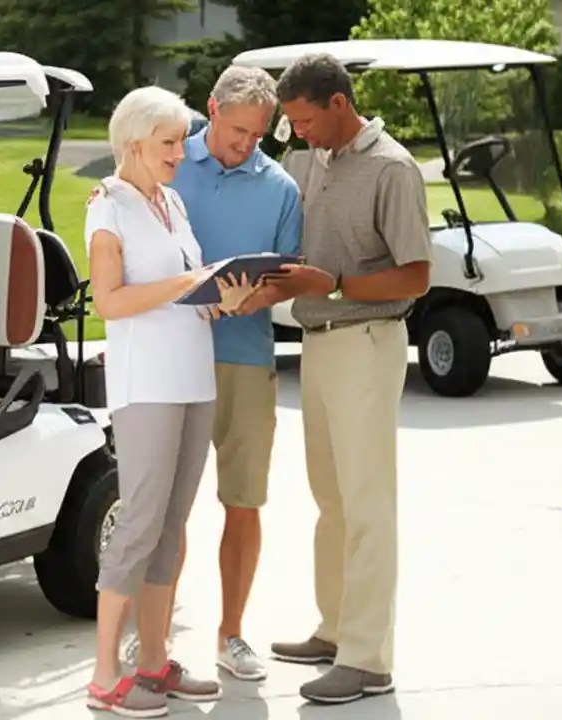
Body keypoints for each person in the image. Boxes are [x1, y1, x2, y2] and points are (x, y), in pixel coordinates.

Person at [250, 52, 432, 705]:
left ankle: (368, 659)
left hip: (368, 342)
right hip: (318, 343)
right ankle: (334, 631)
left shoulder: (392, 168)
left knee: (367, 504)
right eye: (289, 123)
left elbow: (416, 276)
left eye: (304, 120)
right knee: (330, 499)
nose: (296, 133)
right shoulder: (310, 160)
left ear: (338, 104)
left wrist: (336, 285)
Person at [82, 85, 232, 717]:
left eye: (180, 140)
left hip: (195, 379)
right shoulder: (107, 209)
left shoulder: (171, 200)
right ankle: (104, 675)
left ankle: (152, 662)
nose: (180, 151)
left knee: (172, 526)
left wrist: (226, 292)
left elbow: (187, 286)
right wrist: (188, 283)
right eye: (170, 142)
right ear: (135, 143)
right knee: (140, 522)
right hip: (146, 387)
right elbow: (110, 301)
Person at [165, 64, 303, 683]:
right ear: (212, 110)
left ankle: (232, 635)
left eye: (259, 135)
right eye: (238, 131)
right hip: (171, 355)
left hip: (246, 359)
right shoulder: (166, 163)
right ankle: (156, 636)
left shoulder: (280, 188)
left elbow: (290, 274)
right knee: (169, 508)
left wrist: (255, 296)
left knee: (242, 502)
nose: (247, 144)